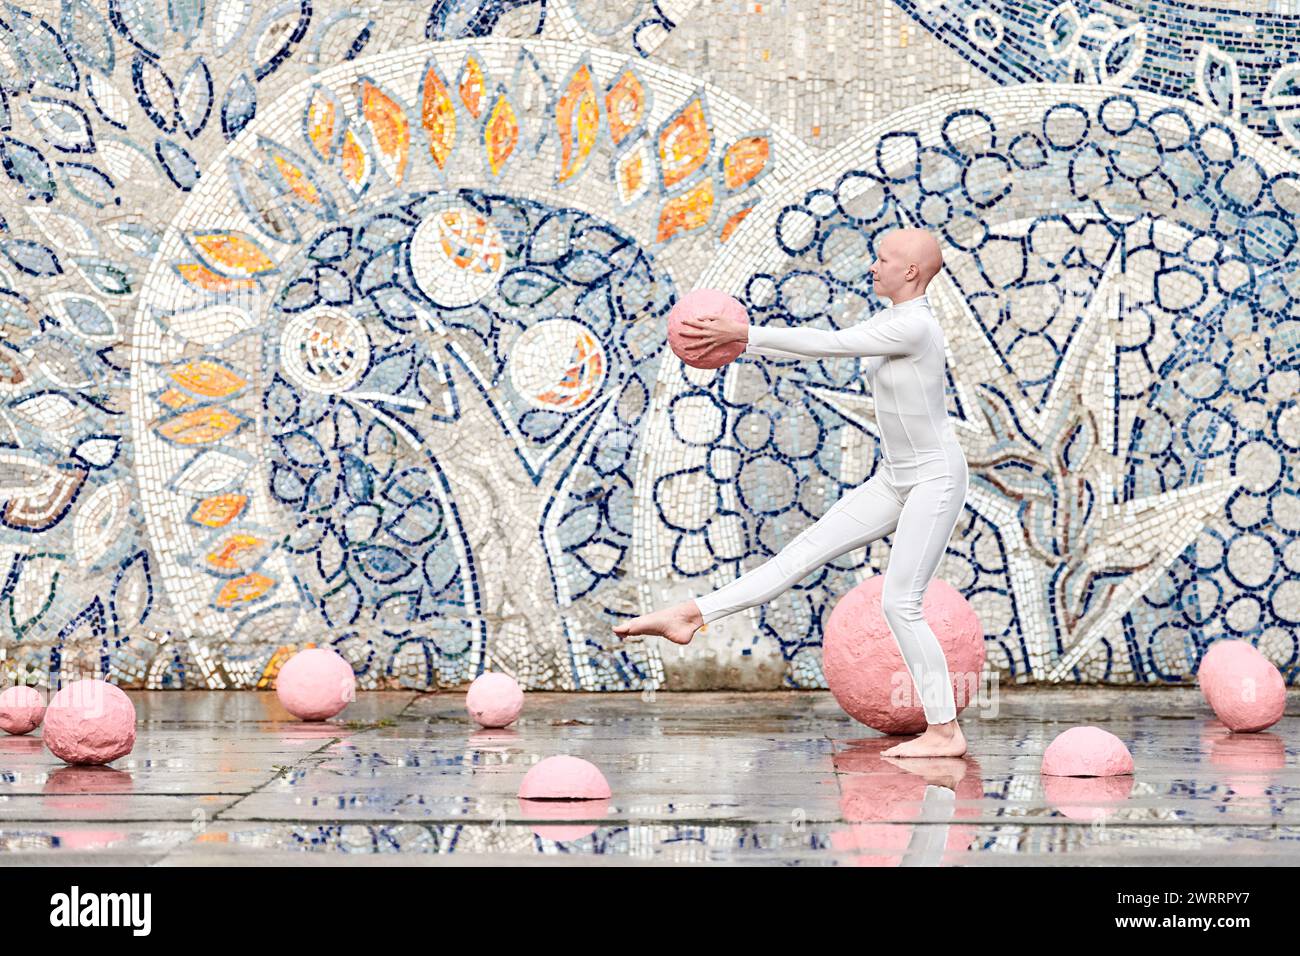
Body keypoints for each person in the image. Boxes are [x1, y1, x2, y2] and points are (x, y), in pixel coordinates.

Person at [612, 227, 970, 758]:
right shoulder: (889, 321)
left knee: (901, 603)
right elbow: (810, 346)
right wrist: (742, 344)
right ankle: (691, 615)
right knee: (798, 554)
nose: (873, 267)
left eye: (883, 259)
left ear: (910, 273)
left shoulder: (916, 327)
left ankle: (944, 731)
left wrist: (744, 331)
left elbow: (831, 345)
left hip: (935, 479)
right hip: (897, 478)